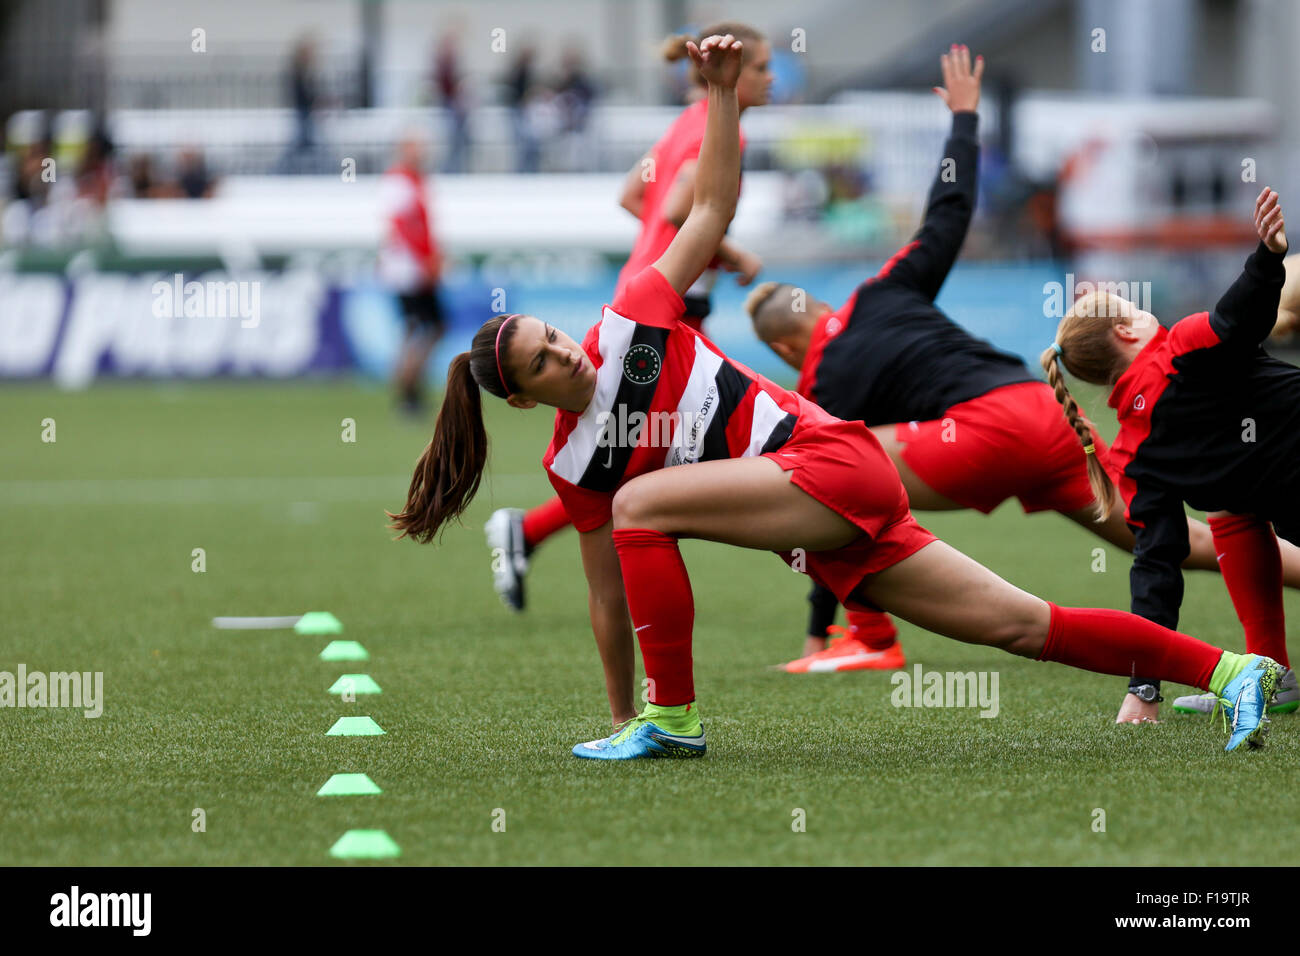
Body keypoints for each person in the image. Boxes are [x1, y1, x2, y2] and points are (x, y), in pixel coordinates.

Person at [390, 40, 1282, 759]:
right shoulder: (569, 460)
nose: (564, 355)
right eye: (545, 364)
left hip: (831, 463)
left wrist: (724, 100)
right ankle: (1231, 670)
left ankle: (677, 720)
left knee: (640, 502)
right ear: (523, 401)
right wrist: (614, 711)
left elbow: (710, 210)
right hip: (827, 519)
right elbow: (608, 601)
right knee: (1019, 624)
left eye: (553, 337)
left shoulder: (633, 320)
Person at [744, 67, 1300, 684]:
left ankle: (867, 638)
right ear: (821, 309)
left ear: (783, 345)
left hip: (981, 434)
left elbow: (834, 506)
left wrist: (819, 619)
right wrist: (964, 119)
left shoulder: (822, 378)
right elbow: (948, 216)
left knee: (814, 482)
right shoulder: (883, 290)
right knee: (1165, 538)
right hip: (1049, 416)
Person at [484, 21, 771, 611]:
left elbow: (633, 197)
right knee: (729, 431)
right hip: (670, 300)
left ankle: (530, 531)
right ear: (733, 73)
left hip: (643, 288)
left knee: (644, 441)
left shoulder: (680, 125)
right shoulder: (724, 129)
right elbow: (676, 202)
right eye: (763, 68)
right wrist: (729, 250)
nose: (772, 79)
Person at [1047, 187, 1298, 725]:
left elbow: (1156, 563)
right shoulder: (1180, 346)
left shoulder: (1132, 456)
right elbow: (1239, 320)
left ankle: (1268, 670)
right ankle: (1269, 670)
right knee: (1232, 506)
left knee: (1229, 503)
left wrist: (1144, 685)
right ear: (1126, 329)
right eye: (1137, 307)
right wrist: (1267, 255)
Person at [378, 136, 444, 415]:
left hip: (411, 268)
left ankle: (409, 390)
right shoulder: (399, 182)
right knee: (424, 327)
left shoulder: (414, 181)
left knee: (418, 329)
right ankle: (408, 392)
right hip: (409, 270)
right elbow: (401, 226)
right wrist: (426, 258)